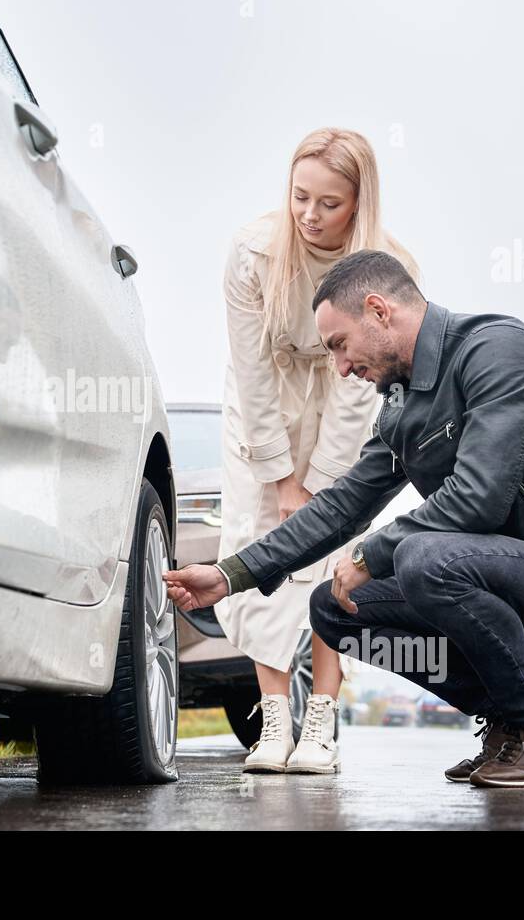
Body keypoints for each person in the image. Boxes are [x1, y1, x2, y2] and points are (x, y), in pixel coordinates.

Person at [165, 249, 524, 788]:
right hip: (509, 584)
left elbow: (477, 497)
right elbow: (341, 505)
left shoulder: (502, 353)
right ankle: (511, 719)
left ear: (378, 310)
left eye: (339, 345)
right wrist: (231, 574)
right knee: (334, 608)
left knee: (424, 557)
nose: (342, 367)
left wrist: (369, 553)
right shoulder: (402, 407)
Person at [217, 128, 420, 775]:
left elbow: (362, 389)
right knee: (259, 549)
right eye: (300, 197)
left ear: (359, 203)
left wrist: (322, 485)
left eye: (328, 203)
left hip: (344, 400)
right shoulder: (252, 252)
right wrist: (280, 478)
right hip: (264, 404)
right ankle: (273, 723)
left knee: (328, 553)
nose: (309, 214)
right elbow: (250, 370)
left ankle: (322, 723)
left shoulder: (388, 270)